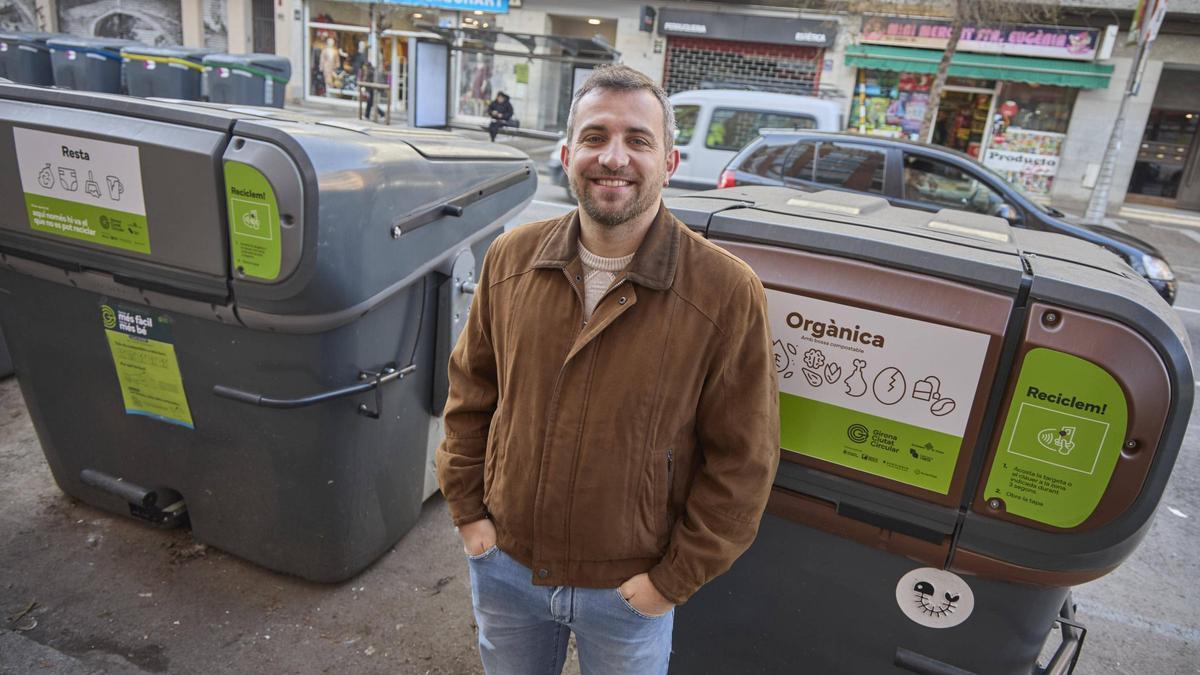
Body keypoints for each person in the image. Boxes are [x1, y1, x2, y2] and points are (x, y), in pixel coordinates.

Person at [436, 64, 779, 675]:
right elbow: (471, 395)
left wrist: (668, 584)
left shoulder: (726, 291)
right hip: (506, 569)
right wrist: (471, 520)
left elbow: (744, 462)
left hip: (629, 594)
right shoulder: (511, 259)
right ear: (567, 155)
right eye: (595, 138)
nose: (613, 157)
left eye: (638, 140)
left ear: (669, 162)